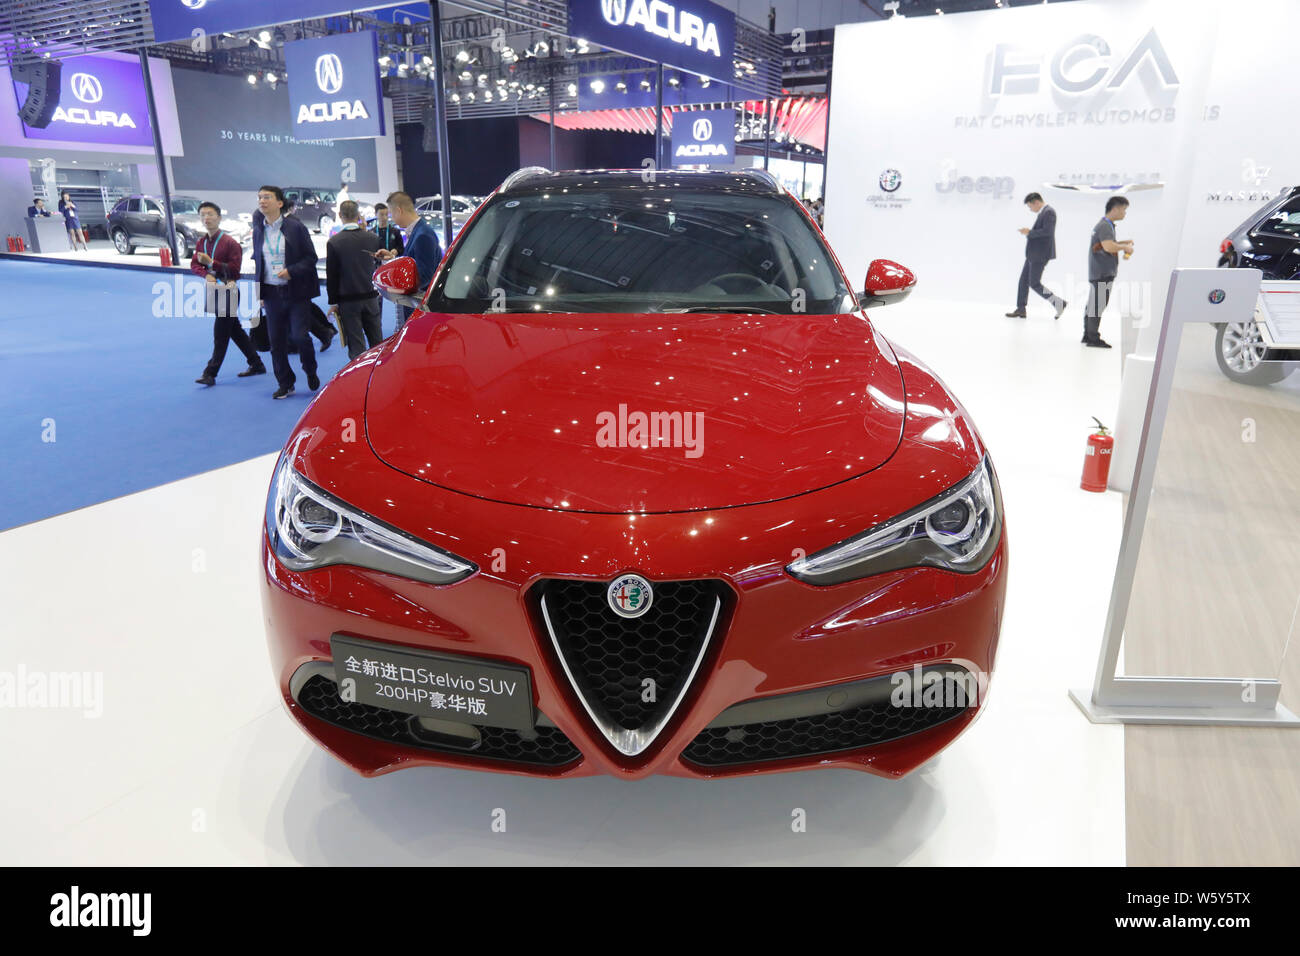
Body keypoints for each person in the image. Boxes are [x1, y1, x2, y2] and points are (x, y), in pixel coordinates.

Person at [252, 185, 321, 399]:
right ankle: (285, 382)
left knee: (300, 337)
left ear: (279, 203)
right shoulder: (258, 230)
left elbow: (311, 258)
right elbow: (259, 264)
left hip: (296, 291)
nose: (262, 201)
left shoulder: (295, 227)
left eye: (267, 197)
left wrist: (291, 271)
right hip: (271, 294)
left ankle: (310, 370)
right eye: (260, 197)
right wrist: (260, 294)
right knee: (276, 342)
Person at [193, 200, 264, 386]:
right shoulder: (201, 242)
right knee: (235, 331)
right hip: (214, 290)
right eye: (203, 215)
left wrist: (211, 263)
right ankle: (256, 363)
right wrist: (206, 273)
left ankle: (210, 373)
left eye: (210, 214)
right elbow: (194, 264)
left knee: (220, 333)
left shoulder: (230, 243)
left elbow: (235, 271)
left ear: (219, 217)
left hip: (229, 291)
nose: (206, 218)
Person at [326, 200, 384, 359]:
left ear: (340, 215)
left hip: (347, 301)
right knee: (378, 343)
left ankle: (360, 379)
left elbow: (332, 276)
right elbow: (378, 266)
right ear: (359, 215)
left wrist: (333, 302)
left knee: (356, 346)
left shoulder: (334, 242)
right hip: (371, 297)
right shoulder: (373, 238)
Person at [378, 191, 439, 331]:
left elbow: (424, 276)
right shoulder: (419, 231)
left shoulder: (423, 235)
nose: (392, 219)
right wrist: (394, 259)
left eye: (392, 214)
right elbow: (415, 263)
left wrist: (398, 285)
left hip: (419, 311)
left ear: (399, 211)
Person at [1082, 195, 1134, 349]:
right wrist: (1124, 248)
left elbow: (1106, 244)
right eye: (1124, 209)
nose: (1125, 213)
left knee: (1093, 304)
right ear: (1116, 208)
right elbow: (1108, 247)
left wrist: (1122, 243)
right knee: (1097, 304)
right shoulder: (1105, 226)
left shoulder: (1105, 225)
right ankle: (1093, 338)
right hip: (1102, 272)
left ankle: (1088, 334)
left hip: (1098, 271)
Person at [1006, 192, 1065, 319]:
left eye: (1030, 206)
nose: (1030, 209)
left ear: (1036, 202)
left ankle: (1058, 303)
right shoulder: (1044, 212)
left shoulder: (1049, 212)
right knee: (1023, 281)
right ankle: (1021, 309)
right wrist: (1029, 233)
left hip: (1040, 254)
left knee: (1034, 283)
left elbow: (1048, 232)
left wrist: (1029, 232)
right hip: (1033, 254)